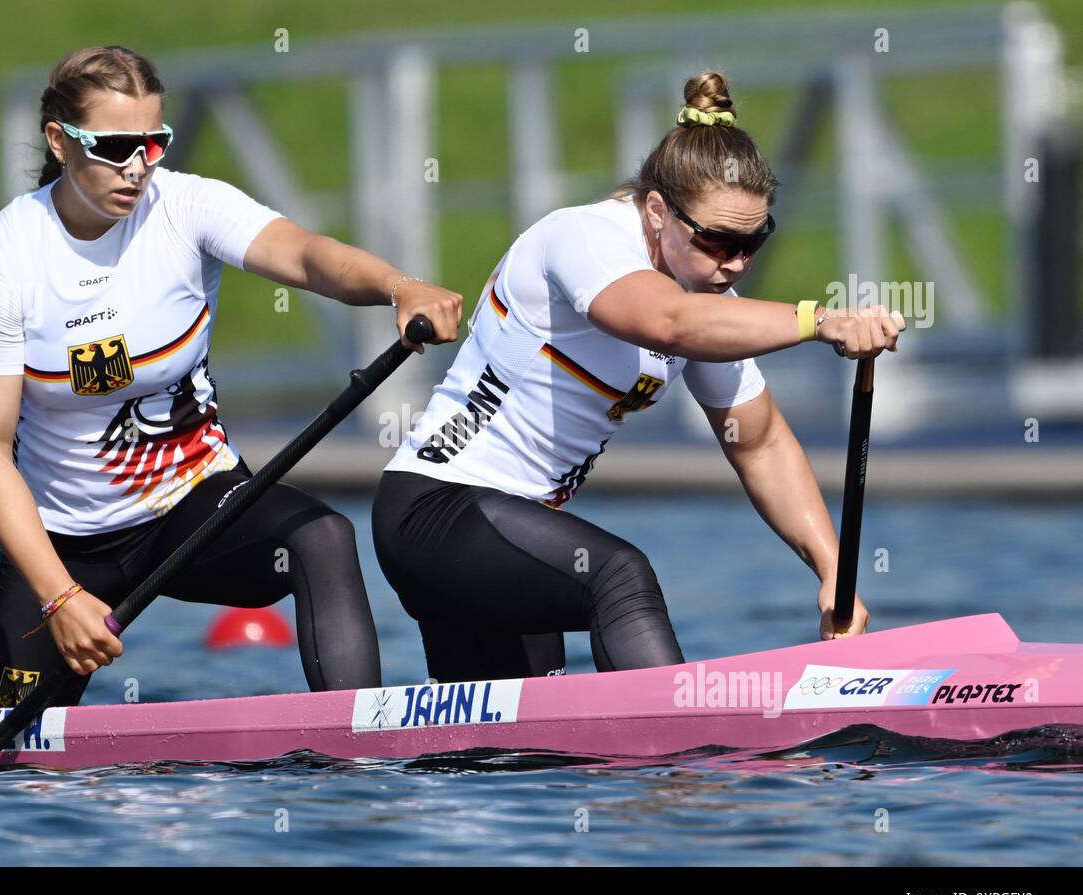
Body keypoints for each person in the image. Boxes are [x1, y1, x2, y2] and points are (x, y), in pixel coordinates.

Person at [0, 45, 461, 707]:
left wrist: (400, 287)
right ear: (59, 140)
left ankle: (357, 759)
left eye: (153, 143)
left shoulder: (186, 207)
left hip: (194, 509)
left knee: (322, 536)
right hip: (62, 541)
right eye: (113, 146)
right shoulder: (5, 256)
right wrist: (60, 594)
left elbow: (308, 257)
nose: (137, 167)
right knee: (6, 756)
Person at [372, 71, 903, 683]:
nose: (733, 262)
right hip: (434, 513)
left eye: (752, 242)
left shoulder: (705, 298)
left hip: (513, 541)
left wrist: (833, 568)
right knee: (619, 574)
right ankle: (685, 767)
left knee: (512, 758)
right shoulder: (583, 237)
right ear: (658, 211)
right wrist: (821, 321)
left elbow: (758, 444)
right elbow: (667, 322)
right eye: (716, 240)